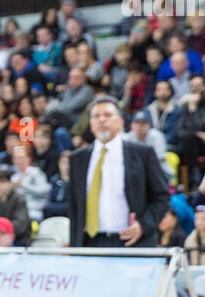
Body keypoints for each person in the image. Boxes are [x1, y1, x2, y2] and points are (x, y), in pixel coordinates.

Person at [68, 97, 170, 248]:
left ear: (120, 122)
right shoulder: (77, 159)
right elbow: (74, 207)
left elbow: (162, 197)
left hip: (129, 242)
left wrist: (142, 226)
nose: (102, 120)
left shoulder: (142, 154)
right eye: (96, 116)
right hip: (88, 243)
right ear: (91, 125)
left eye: (108, 115)